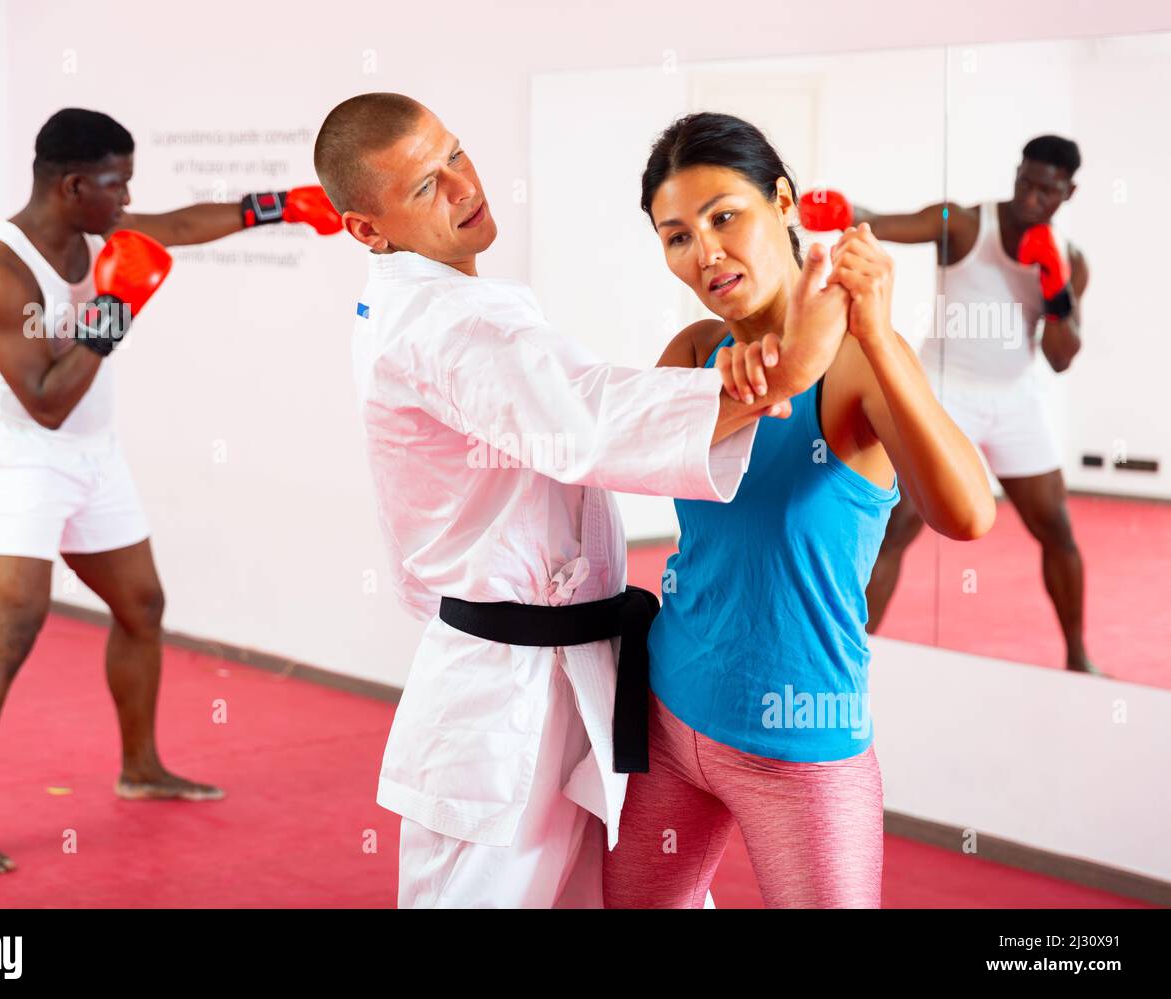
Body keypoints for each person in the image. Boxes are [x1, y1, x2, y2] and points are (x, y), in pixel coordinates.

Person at [314, 93, 853, 907]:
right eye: (426, 186)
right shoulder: (441, 324)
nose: (465, 188)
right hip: (505, 697)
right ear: (367, 229)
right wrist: (783, 373)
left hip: (562, 671)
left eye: (456, 155)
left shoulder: (450, 302)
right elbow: (583, 422)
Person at [0, 107, 343, 876]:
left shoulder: (91, 229)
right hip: (20, 457)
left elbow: (175, 225)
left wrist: (278, 206)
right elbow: (46, 399)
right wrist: (115, 310)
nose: (128, 199)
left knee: (142, 606)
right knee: (11, 633)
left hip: (93, 454)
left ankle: (140, 767)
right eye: (118, 184)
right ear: (74, 185)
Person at [602, 112, 995, 908]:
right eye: (677, 236)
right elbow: (622, 458)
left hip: (803, 746)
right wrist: (739, 392)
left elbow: (967, 514)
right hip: (671, 715)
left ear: (781, 200)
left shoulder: (854, 363)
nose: (705, 251)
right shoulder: (693, 352)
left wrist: (879, 335)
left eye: (723, 216)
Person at [801, 136, 1096, 673]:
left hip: (1015, 400)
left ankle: (1078, 657)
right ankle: (848, 656)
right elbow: (883, 222)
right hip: (943, 389)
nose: (1031, 197)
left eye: (1046, 190)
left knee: (1056, 528)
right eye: (1025, 182)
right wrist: (843, 212)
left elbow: (1061, 357)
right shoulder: (963, 223)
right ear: (1017, 173)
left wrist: (1054, 288)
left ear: (1067, 192)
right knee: (901, 525)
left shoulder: (1070, 259)